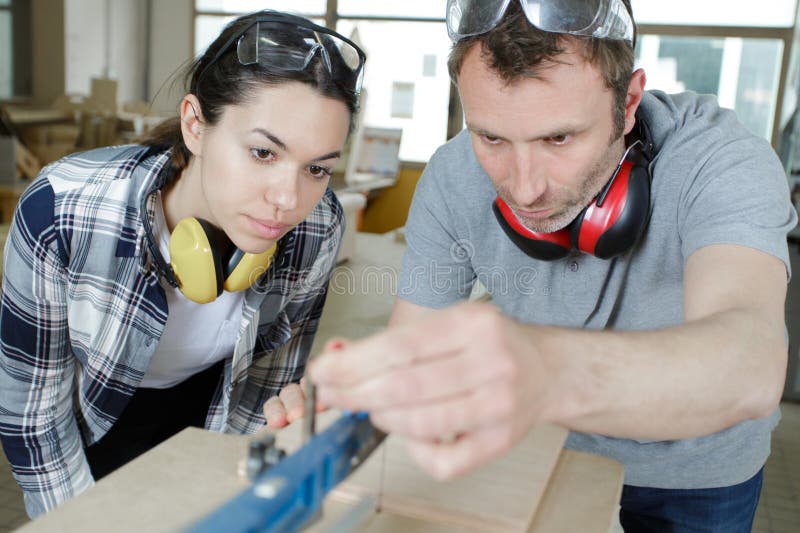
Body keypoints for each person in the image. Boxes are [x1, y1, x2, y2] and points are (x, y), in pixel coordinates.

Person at [306, 1, 797, 531]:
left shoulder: (720, 159)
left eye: (558, 138)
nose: (524, 188)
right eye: (491, 137)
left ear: (628, 102)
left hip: (698, 477)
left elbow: (751, 364)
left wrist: (546, 372)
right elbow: (413, 346)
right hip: (543, 449)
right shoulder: (451, 176)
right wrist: (358, 395)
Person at [0, 10, 365, 518]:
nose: (288, 198)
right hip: (93, 428)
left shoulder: (316, 226)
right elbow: (31, 419)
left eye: (317, 168)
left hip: (214, 411)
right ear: (195, 125)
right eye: (263, 152)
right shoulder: (61, 209)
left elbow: (268, 385)